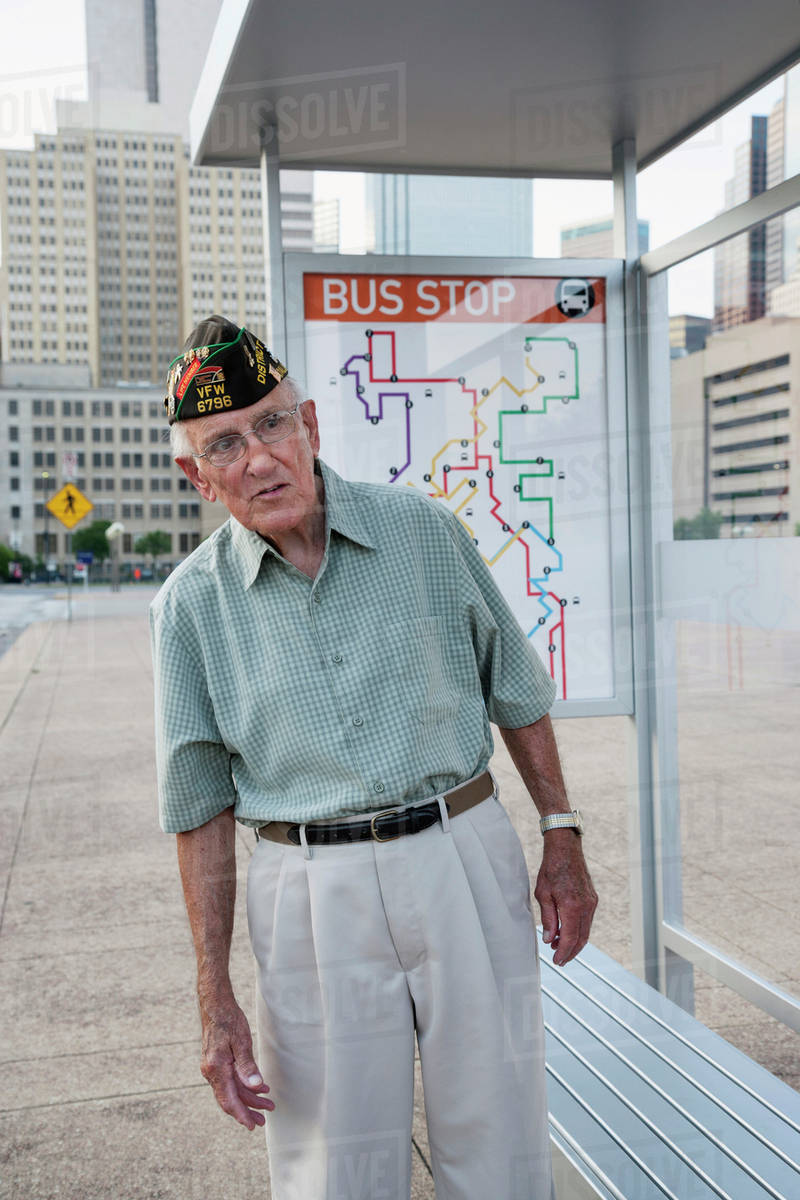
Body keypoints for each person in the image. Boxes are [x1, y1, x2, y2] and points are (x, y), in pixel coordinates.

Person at [150, 315, 597, 1200]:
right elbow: (198, 808)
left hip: (461, 856)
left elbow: (516, 690)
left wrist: (562, 834)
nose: (261, 459)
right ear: (195, 476)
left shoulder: (424, 533)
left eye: (274, 424)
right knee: (333, 1164)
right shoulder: (188, 608)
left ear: (311, 425)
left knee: (502, 1132)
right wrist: (214, 994)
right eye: (226, 445)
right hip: (309, 893)